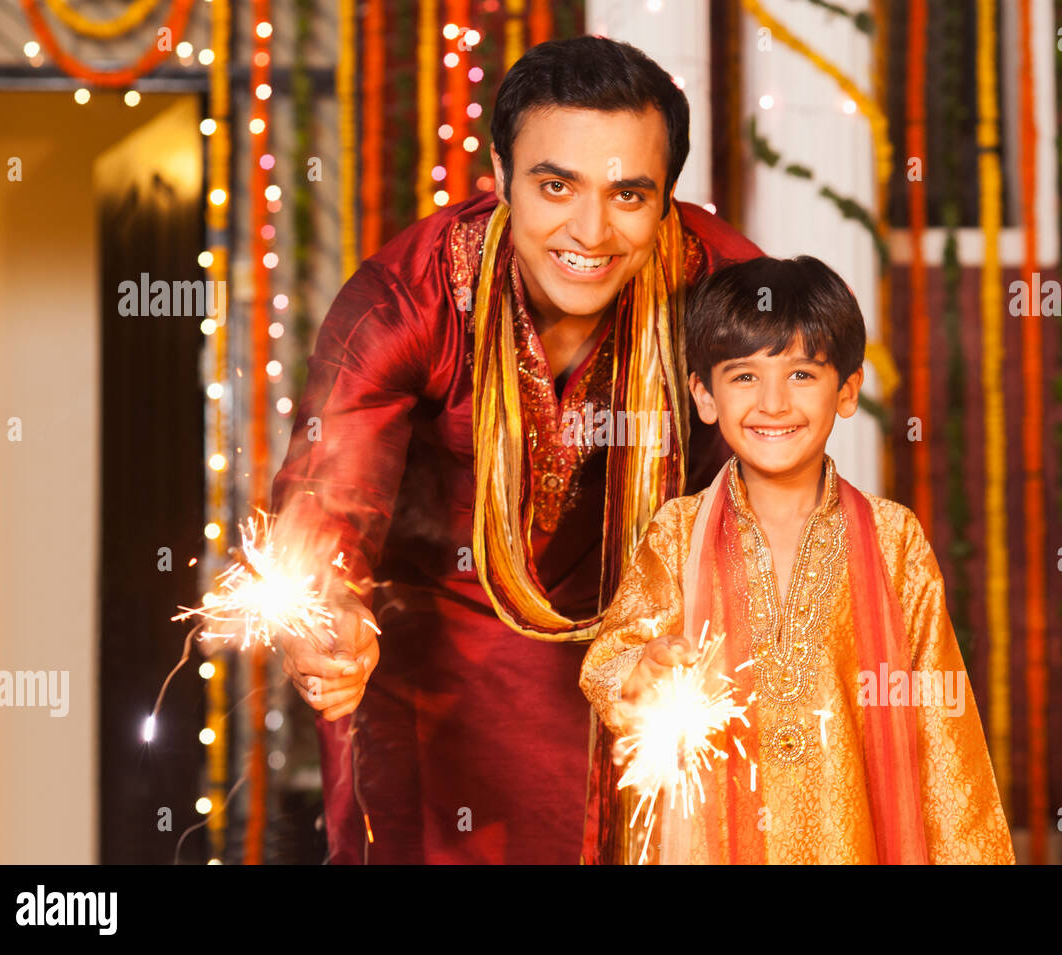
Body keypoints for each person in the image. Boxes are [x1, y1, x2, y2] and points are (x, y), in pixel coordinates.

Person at [269, 36, 762, 863]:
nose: (591, 230)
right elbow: (327, 496)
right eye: (555, 185)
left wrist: (714, 637)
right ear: (499, 174)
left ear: (669, 197)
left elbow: (773, 493)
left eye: (629, 194)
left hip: (658, 661)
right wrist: (322, 617)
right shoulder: (410, 297)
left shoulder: (726, 290)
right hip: (436, 667)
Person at [578, 256, 1015, 864]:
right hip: (711, 843)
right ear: (705, 395)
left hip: (854, 843)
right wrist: (643, 668)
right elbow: (607, 666)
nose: (774, 403)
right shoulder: (677, 532)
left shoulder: (895, 540)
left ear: (848, 390)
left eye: (802, 375)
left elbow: (942, 732)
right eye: (744, 377)